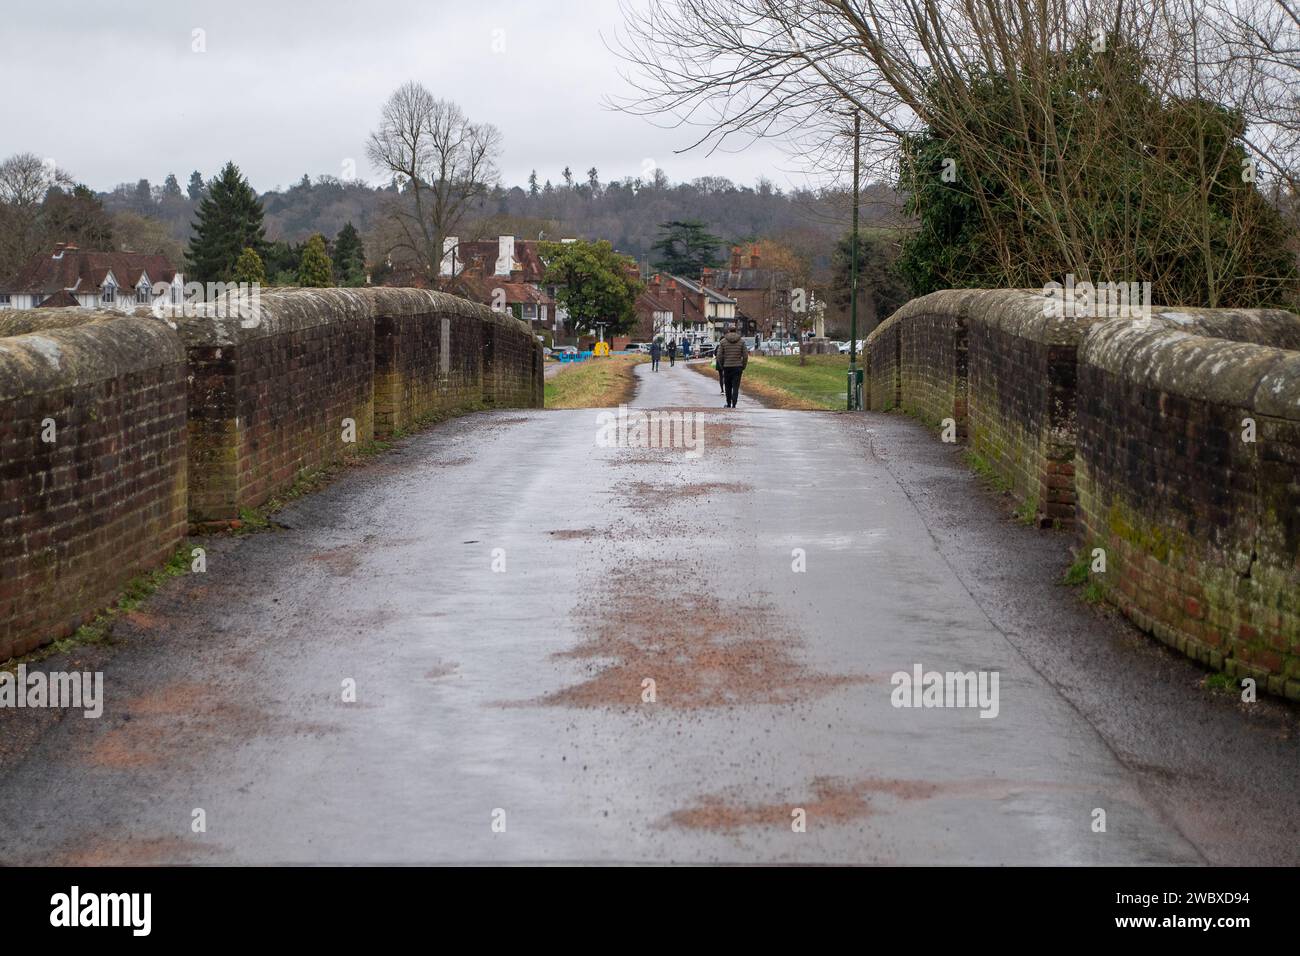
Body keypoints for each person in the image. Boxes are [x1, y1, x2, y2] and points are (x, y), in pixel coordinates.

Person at [716, 324, 749, 408]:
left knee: (727, 386)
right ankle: (734, 403)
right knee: (735, 386)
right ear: (736, 331)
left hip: (727, 366)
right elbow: (745, 356)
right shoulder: (741, 341)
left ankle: (728, 403)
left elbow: (719, 355)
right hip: (738, 366)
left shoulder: (723, 342)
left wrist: (722, 365)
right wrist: (743, 366)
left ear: (728, 331)